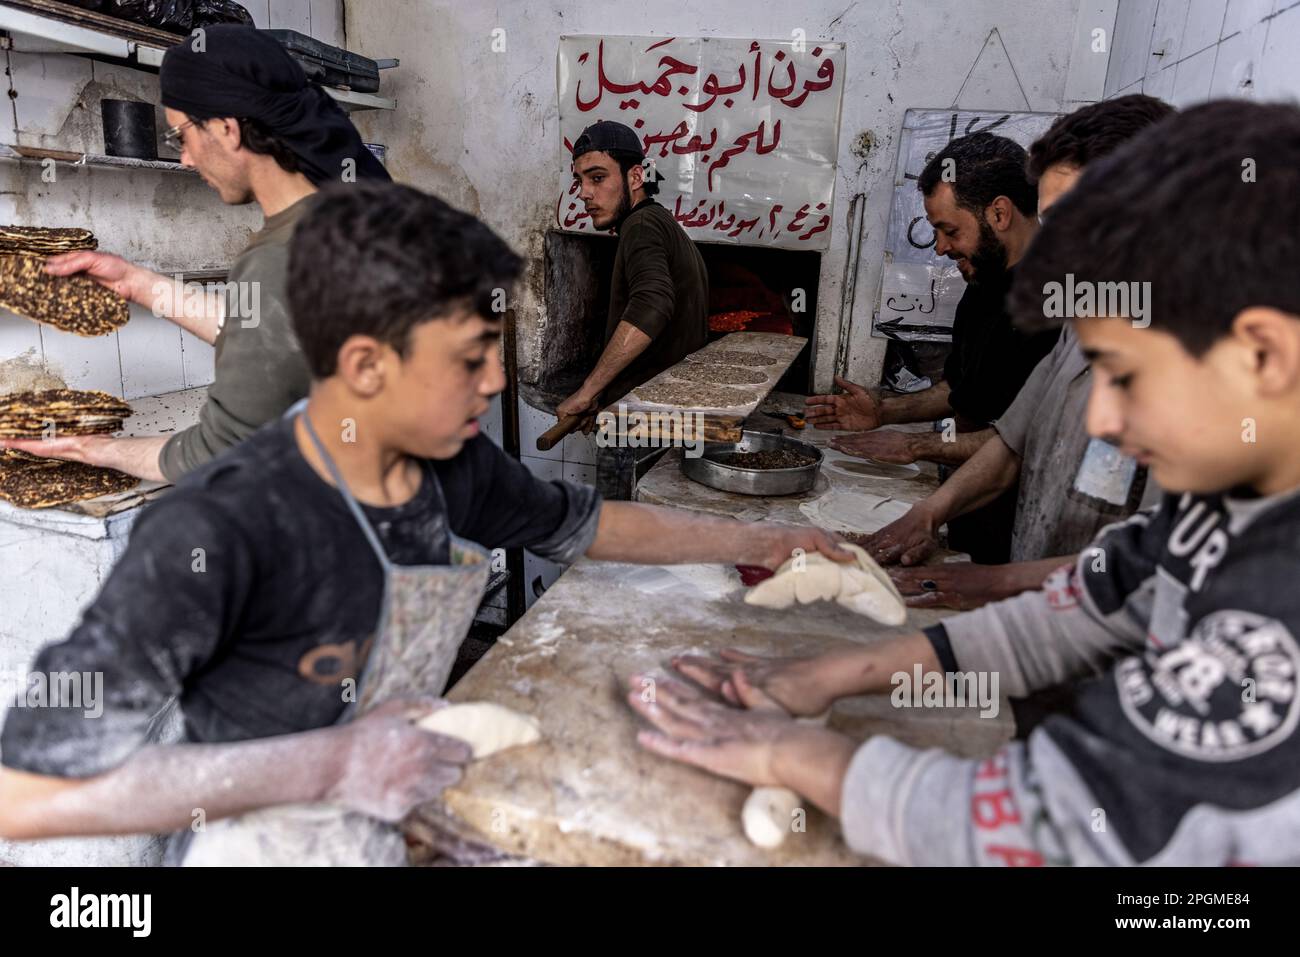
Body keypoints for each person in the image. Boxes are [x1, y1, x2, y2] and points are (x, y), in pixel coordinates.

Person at [0, 182, 849, 865]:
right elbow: (26, 793)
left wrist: (760, 540)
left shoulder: (450, 466)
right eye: (467, 359)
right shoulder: (217, 527)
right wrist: (331, 761)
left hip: (384, 829)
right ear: (366, 365)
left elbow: (588, 527)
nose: (492, 383)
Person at [628, 100, 1300, 866]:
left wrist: (791, 757)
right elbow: (1071, 612)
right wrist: (829, 675)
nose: (1103, 419)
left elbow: (1042, 827)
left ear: (1263, 356)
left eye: (1129, 375)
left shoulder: (1275, 598)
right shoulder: (1226, 511)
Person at [0, 25, 388, 482]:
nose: (184, 158)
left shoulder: (287, 254)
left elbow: (223, 454)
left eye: (181, 135)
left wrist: (96, 448)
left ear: (226, 129)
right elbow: (272, 341)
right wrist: (137, 284)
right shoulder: (354, 219)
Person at [869, 95, 1176, 611]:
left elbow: (1162, 556)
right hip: (1045, 617)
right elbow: (1013, 442)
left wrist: (995, 584)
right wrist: (930, 512)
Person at [809, 132, 1057, 563]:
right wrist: (885, 411)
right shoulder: (983, 281)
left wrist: (919, 446)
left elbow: (1025, 441)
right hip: (968, 501)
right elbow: (963, 391)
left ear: (999, 212)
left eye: (949, 230)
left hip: (1023, 527)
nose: (940, 247)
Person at [555, 121, 709, 421]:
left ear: (636, 177)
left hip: (644, 420)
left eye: (597, 178)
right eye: (580, 181)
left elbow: (651, 306)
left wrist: (587, 391)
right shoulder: (658, 220)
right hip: (664, 410)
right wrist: (603, 391)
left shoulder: (641, 226)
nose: (585, 193)